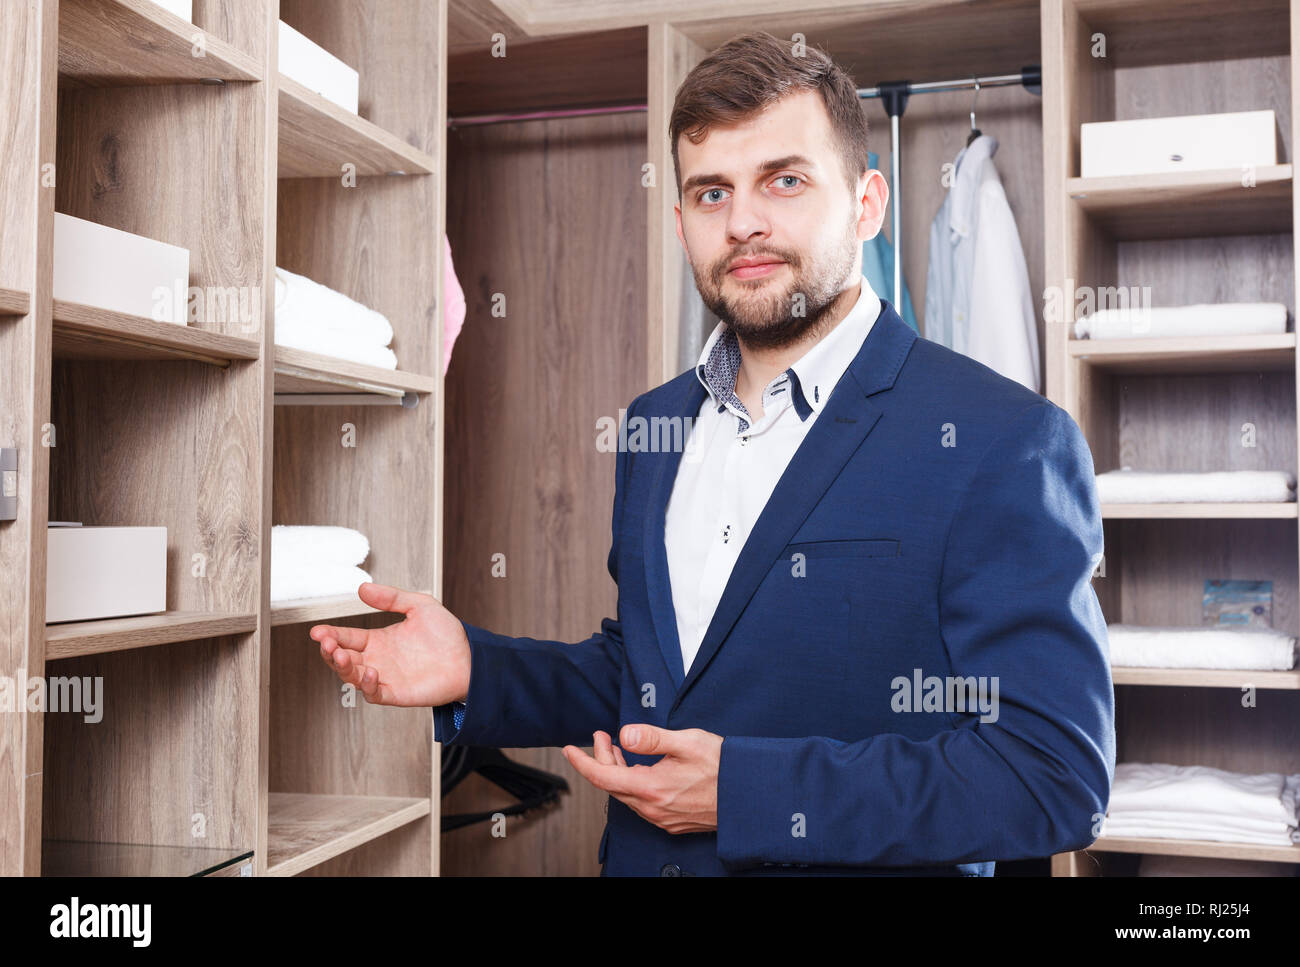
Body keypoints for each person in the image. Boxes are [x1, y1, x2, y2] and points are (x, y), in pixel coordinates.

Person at [311, 30, 1115, 877]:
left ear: (868, 204)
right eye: (710, 193)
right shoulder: (656, 425)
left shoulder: (1002, 441)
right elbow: (654, 672)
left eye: (786, 181)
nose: (743, 223)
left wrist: (750, 793)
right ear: (681, 218)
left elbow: (1051, 773)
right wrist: (478, 666)